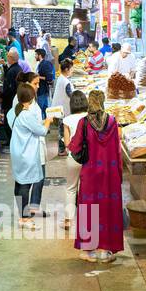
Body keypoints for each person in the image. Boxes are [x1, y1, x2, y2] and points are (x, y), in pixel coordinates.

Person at [68, 91, 124, 263]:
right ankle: (104, 250)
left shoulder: (83, 123)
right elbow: (117, 149)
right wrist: (119, 172)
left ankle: (87, 250)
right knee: (108, 209)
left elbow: (75, 147)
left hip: (90, 173)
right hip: (109, 173)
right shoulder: (113, 121)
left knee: (89, 209)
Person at [9, 83, 54, 225]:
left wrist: (42, 123)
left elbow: (32, 128)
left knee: (19, 182)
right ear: (31, 97)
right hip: (26, 154)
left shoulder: (18, 111)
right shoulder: (26, 114)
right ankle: (24, 218)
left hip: (18, 153)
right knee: (25, 185)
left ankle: (23, 213)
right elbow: (42, 131)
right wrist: (48, 120)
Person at [59, 90, 90, 230]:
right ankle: (88, 221)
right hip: (89, 159)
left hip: (73, 158)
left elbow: (66, 143)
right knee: (88, 190)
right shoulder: (90, 118)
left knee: (71, 189)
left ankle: (68, 220)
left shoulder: (67, 120)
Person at [0, 47, 26, 149]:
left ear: (11, 58)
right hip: (15, 99)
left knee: (9, 121)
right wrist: (5, 66)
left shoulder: (13, 71)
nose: (6, 58)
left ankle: (10, 141)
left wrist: (1, 95)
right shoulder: (17, 68)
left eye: (7, 57)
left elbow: (9, 88)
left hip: (10, 100)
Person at [34, 48, 56, 112]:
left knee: (41, 109)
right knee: (44, 109)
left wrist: (38, 76)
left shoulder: (45, 64)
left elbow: (49, 78)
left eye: (36, 54)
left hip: (42, 90)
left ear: (40, 56)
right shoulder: (40, 64)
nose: (35, 56)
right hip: (41, 90)